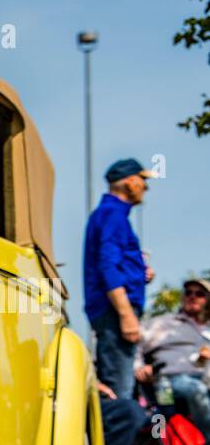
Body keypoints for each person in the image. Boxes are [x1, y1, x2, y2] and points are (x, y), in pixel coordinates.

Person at [84, 158, 156, 401]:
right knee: (120, 393)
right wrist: (126, 315)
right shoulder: (112, 215)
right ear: (130, 181)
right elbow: (107, 267)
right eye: (143, 181)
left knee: (122, 388)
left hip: (112, 311)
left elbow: (113, 263)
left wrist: (138, 273)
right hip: (114, 314)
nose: (146, 187)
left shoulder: (109, 215)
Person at [135, 278, 210, 437]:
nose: (193, 296)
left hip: (205, 380)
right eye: (188, 292)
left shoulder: (208, 329)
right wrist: (139, 366)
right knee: (164, 408)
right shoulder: (161, 323)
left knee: (198, 389)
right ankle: (153, 444)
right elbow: (136, 346)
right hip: (166, 384)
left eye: (199, 294)